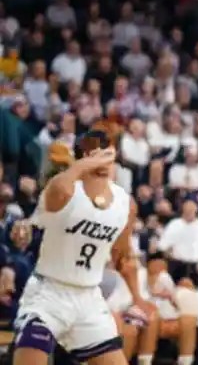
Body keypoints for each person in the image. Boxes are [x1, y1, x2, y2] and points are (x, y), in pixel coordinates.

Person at [13, 129, 151, 365]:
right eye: (94, 153)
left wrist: (139, 298)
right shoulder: (64, 190)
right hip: (49, 293)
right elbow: (61, 187)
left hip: (88, 297)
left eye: (107, 153)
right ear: (82, 158)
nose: (103, 160)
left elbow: (123, 257)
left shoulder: (125, 204)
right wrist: (82, 165)